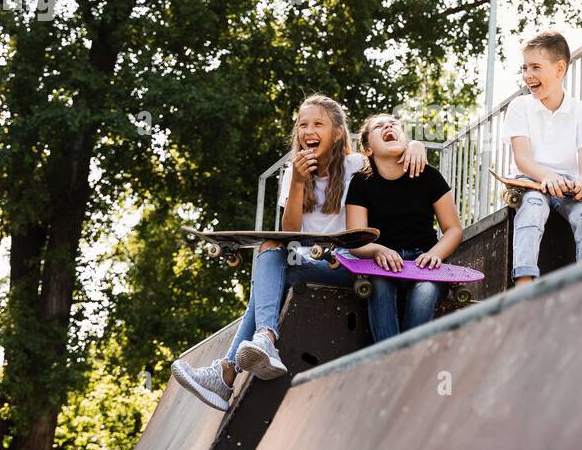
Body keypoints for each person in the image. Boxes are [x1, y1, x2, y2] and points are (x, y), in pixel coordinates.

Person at [170, 94, 427, 411]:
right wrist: (298, 184)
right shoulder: (293, 174)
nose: (308, 130)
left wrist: (417, 146)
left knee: (265, 283)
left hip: (351, 264)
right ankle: (263, 339)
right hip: (308, 262)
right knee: (270, 251)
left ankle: (227, 372)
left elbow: (394, 160)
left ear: (335, 132)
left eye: (318, 124)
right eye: (303, 124)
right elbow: (288, 229)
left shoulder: (356, 165)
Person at [344, 114, 463, 341]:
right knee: (378, 283)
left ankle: (405, 360)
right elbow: (355, 240)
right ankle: (390, 358)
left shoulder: (430, 176)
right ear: (368, 149)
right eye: (379, 126)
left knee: (426, 291)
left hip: (424, 261)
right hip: (381, 264)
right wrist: (378, 250)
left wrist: (434, 255)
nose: (389, 126)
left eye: (394, 124)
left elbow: (453, 229)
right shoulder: (360, 182)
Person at [503, 30, 582, 286]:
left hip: (568, 186)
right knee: (534, 206)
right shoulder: (520, 107)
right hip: (533, 181)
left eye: (535, 67)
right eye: (525, 68)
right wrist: (548, 177)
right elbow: (523, 159)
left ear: (560, 69)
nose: (528, 75)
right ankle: (524, 282)